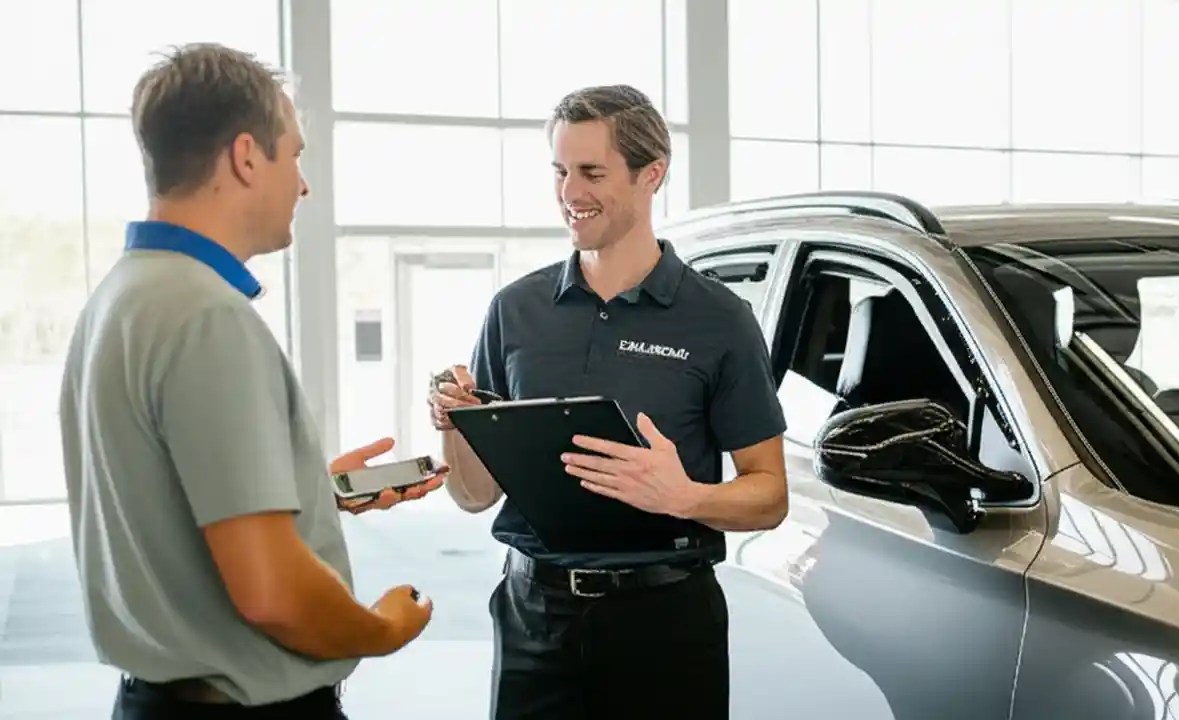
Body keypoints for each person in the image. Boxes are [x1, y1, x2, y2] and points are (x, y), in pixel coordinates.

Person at [58, 43, 440, 719]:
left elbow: (162, 501)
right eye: (294, 155)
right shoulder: (208, 316)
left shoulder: (119, 297)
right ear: (244, 157)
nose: (302, 184)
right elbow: (271, 594)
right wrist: (381, 630)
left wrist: (307, 492)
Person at [430, 84, 789, 720]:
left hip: (667, 626)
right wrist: (456, 427)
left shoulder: (719, 320)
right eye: (561, 171)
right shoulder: (515, 311)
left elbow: (769, 496)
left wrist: (688, 498)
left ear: (652, 174)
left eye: (592, 172)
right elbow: (474, 496)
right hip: (533, 617)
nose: (571, 193)